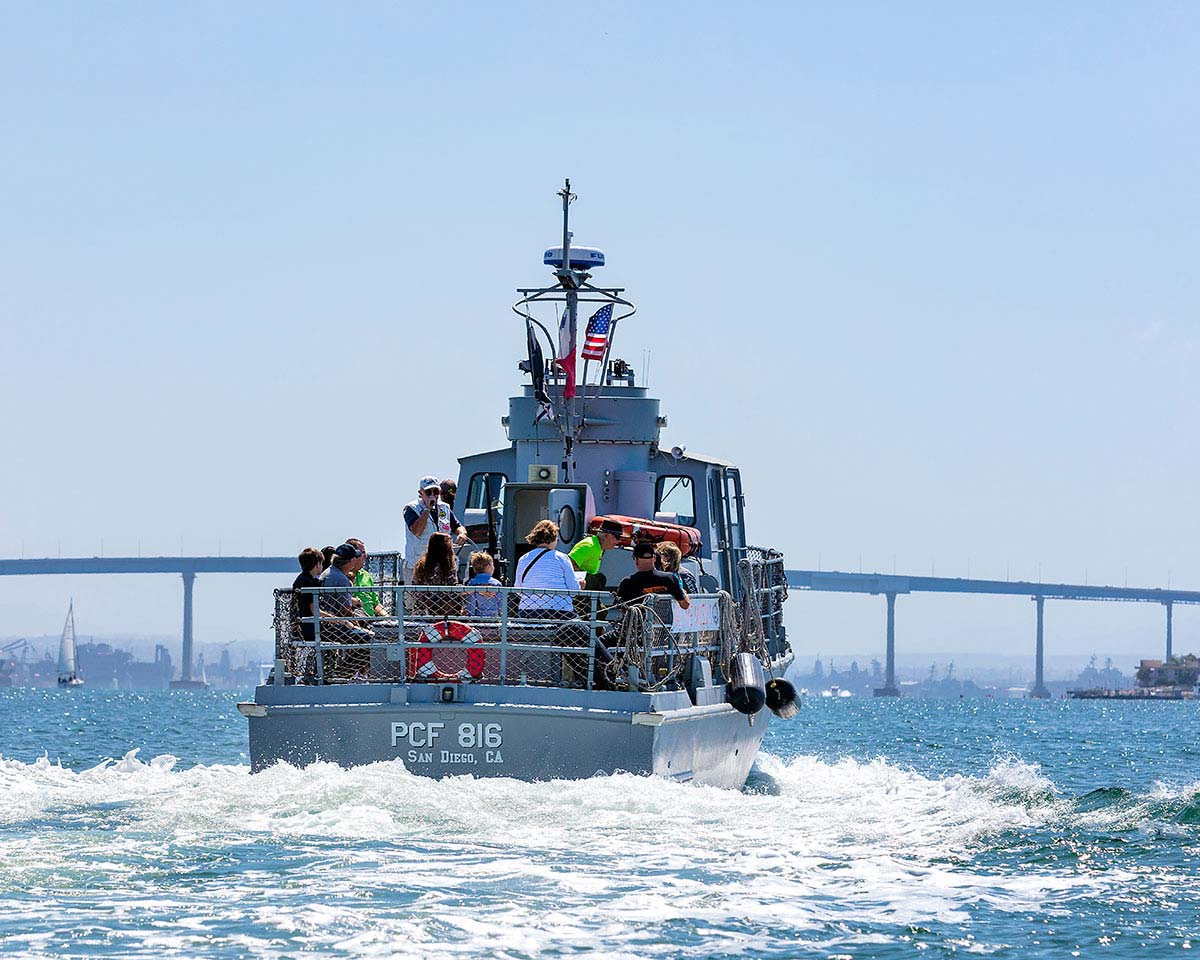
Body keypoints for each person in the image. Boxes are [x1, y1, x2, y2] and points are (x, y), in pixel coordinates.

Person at [404, 475, 467, 582]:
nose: (433, 495)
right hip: (417, 564)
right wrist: (427, 509)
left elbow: (457, 526)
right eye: (429, 492)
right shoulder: (411, 508)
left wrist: (462, 534)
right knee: (415, 597)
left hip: (442, 565)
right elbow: (417, 531)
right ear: (420, 493)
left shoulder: (444, 508)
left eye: (436, 492)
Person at [513, 520, 578, 617]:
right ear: (554, 538)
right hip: (560, 611)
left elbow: (518, 589)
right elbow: (574, 590)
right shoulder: (562, 557)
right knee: (581, 628)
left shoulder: (523, 559)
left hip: (528, 611)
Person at [616, 541, 691, 609]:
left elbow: (618, 608)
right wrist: (683, 592)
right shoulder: (669, 578)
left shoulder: (627, 583)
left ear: (636, 560)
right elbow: (685, 605)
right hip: (663, 623)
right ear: (654, 558)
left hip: (637, 623)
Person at [409, 532, 461, 616]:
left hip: (423, 612)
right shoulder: (448, 566)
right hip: (445, 613)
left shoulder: (421, 565)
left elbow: (415, 587)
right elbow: (452, 588)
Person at [568, 518, 623, 582]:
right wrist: (580, 580)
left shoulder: (599, 547)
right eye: (617, 537)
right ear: (606, 535)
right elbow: (568, 564)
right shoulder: (589, 546)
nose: (619, 541)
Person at [291, 547, 324, 644]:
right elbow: (314, 610)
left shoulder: (309, 579)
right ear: (317, 564)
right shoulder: (306, 582)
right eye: (321, 563)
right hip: (309, 628)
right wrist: (335, 619)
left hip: (307, 626)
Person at [346, 538, 386, 617]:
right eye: (362, 553)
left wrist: (387, 617)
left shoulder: (366, 575)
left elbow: (375, 604)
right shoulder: (342, 576)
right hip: (355, 621)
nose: (366, 556)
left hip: (372, 621)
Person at [464, 551, 503, 618]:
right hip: (493, 618)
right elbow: (501, 604)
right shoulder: (496, 583)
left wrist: (471, 617)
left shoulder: (472, 583)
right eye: (492, 565)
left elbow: (470, 603)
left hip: (476, 619)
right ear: (488, 566)